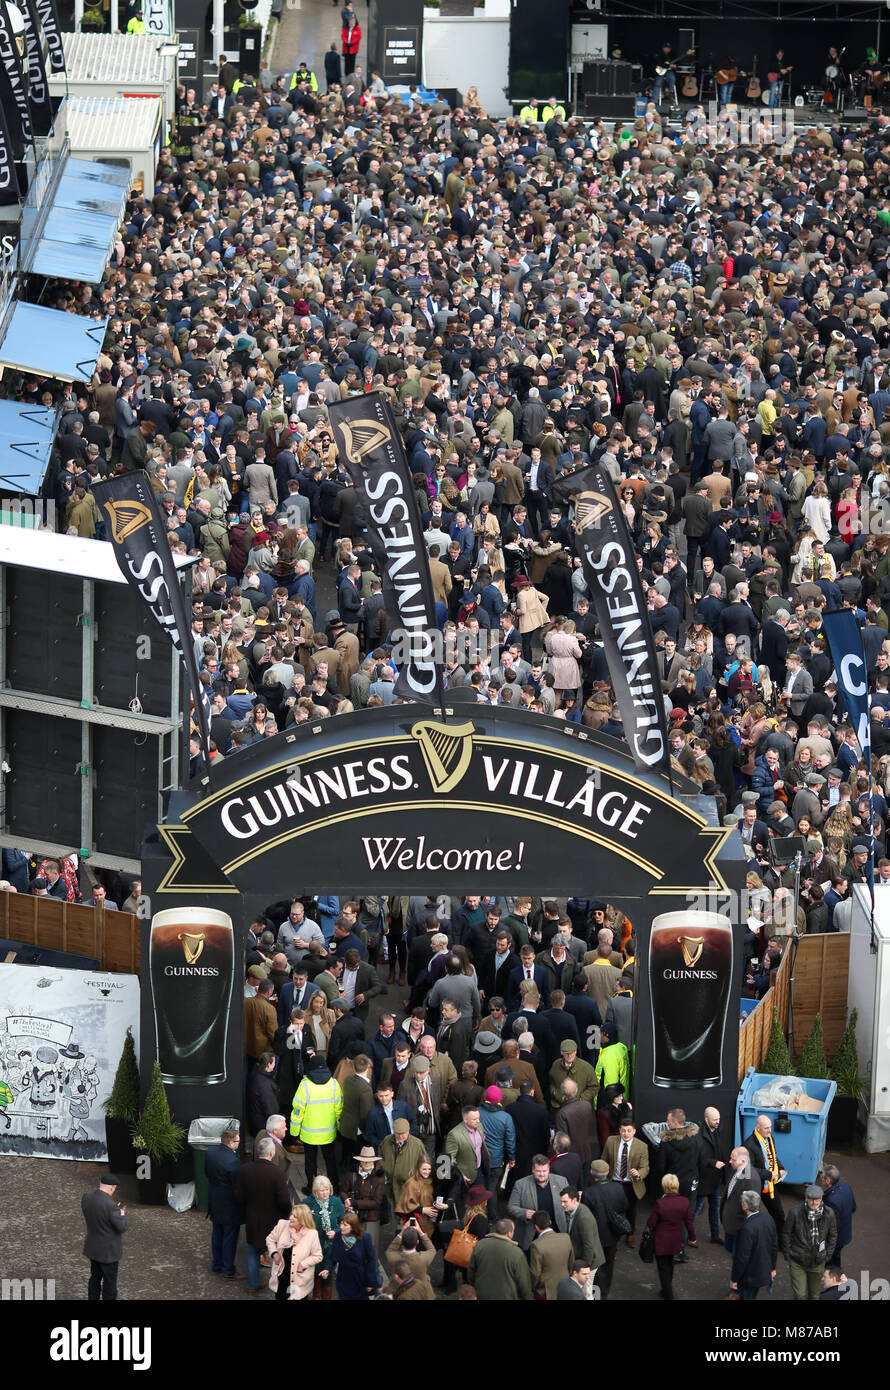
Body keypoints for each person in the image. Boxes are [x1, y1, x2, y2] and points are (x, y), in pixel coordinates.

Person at [234, 1135, 292, 1293]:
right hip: (273, 1221)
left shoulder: (245, 1170)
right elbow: (284, 1202)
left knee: (252, 1252)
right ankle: (277, 1285)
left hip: (252, 1218)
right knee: (277, 1253)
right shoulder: (278, 1173)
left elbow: (238, 1197)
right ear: (272, 1153)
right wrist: (287, 1215)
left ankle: (253, 1285)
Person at [289, 1061, 343, 1192]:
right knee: (330, 1160)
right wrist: (339, 1128)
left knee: (310, 1161)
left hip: (309, 1133)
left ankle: (310, 1187)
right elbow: (339, 1109)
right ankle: (334, 1185)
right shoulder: (334, 1084)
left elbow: (298, 1110)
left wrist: (294, 1132)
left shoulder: (305, 1085)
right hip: (328, 1132)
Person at [782, 1184, 837, 1301]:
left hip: (818, 1261)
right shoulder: (795, 1213)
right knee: (799, 1296)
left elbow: (833, 1235)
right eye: (811, 1199)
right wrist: (788, 1255)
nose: (814, 1202)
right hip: (797, 1261)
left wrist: (827, 1256)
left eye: (817, 1199)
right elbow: (786, 1233)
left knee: (815, 1296)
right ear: (806, 1198)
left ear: (821, 1199)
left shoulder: (829, 1214)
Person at [646, 1172, 695, 1300]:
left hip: (661, 1241)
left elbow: (651, 1223)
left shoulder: (660, 1203)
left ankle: (668, 1294)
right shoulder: (684, 1202)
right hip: (675, 1240)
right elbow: (689, 1222)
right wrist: (692, 1237)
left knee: (663, 1268)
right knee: (670, 1265)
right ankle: (666, 1289)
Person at [204, 1126, 244, 1279]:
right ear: (230, 1143)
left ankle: (217, 1265)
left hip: (215, 1201)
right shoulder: (233, 1162)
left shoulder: (210, 1152)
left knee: (217, 1234)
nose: (239, 1143)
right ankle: (228, 1269)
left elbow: (206, 1173)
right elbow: (237, 1187)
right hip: (229, 1206)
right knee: (229, 1238)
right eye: (237, 1141)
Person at [81, 1172, 127, 1301]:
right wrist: (121, 1214)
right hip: (108, 1253)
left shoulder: (86, 1197)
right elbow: (122, 1227)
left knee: (94, 1279)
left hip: (93, 1248)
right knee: (110, 1284)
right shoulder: (111, 1206)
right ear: (112, 1187)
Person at [602, 1119, 648, 1246]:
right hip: (614, 1182)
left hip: (631, 1184)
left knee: (631, 1210)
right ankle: (612, 1233)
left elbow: (645, 1167)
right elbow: (604, 1159)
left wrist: (639, 1173)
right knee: (612, 1209)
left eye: (629, 1131)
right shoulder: (611, 1141)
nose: (626, 1133)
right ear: (619, 1131)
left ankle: (630, 1234)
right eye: (623, 1131)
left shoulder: (642, 1146)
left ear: (634, 1131)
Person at [266, 1203, 324, 1301]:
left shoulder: (312, 1234)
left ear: (303, 1220)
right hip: (282, 1277)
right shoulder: (282, 1225)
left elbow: (318, 1255)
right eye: (291, 1214)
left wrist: (303, 1264)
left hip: (300, 1280)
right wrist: (274, 1253)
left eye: (295, 1217)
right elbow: (270, 1239)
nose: (291, 1218)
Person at [466, 1217, 532, 1300]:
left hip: (482, 1294)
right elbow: (523, 1282)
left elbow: (471, 1271)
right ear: (509, 1233)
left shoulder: (480, 1245)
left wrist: (476, 1287)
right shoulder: (517, 1253)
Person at [302, 1174, 345, 1301]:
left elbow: (343, 1223)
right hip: (313, 1246)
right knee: (315, 1274)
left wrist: (336, 1232)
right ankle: (316, 1296)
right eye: (322, 1190)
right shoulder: (307, 1203)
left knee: (327, 1274)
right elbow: (300, 1224)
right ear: (316, 1191)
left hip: (330, 1246)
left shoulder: (336, 1202)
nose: (325, 1193)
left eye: (327, 1189)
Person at [729, 1190, 778, 1300]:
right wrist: (772, 1267)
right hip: (764, 1271)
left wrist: (734, 1279)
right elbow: (774, 1246)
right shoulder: (768, 1219)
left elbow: (742, 1257)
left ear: (745, 1207)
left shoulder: (747, 1228)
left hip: (750, 1276)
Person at [324, 1213, 382, 1300]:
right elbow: (332, 1257)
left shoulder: (365, 1238)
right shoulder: (338, 1237)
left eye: (345, 1225)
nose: (341, 1227)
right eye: (341, 1223)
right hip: (343, 1280)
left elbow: (371, 1261)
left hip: (360, 1280)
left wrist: (370, 1281)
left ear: (353, 1226)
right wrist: (327, 1269)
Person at [695, 1105, 730, 1243]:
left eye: (719, 1119)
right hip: (705, 1178)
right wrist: (713, 1162)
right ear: (706, 1119)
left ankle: (715, 1235)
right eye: (715, 1119)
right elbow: (698, 1157)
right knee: (696, 1208)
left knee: (714, 1208)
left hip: (715, 1177)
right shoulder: (699, 1135)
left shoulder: (717, 1130)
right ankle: (686, 1235)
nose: (718, 1121)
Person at [529, 1210, 574, 1300]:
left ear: (536, 1227)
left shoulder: (536, 1245)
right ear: (550, 1222)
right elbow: (571, 1262)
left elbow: (535, 1273)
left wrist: (533, 1288)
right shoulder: (566, 1237)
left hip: (546, 1290)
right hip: (565, 1285)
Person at [821, 1163, 856, 1267]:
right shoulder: (846, 1187)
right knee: (835, 1257)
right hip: (845, 1233)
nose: (820, 1179)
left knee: (832, 1262)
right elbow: (853, 1207)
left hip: (836, 1239)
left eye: (822, 1177)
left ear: (828, 1181)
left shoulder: (831, 1200)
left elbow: (832, 1225)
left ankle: (835, 1279)